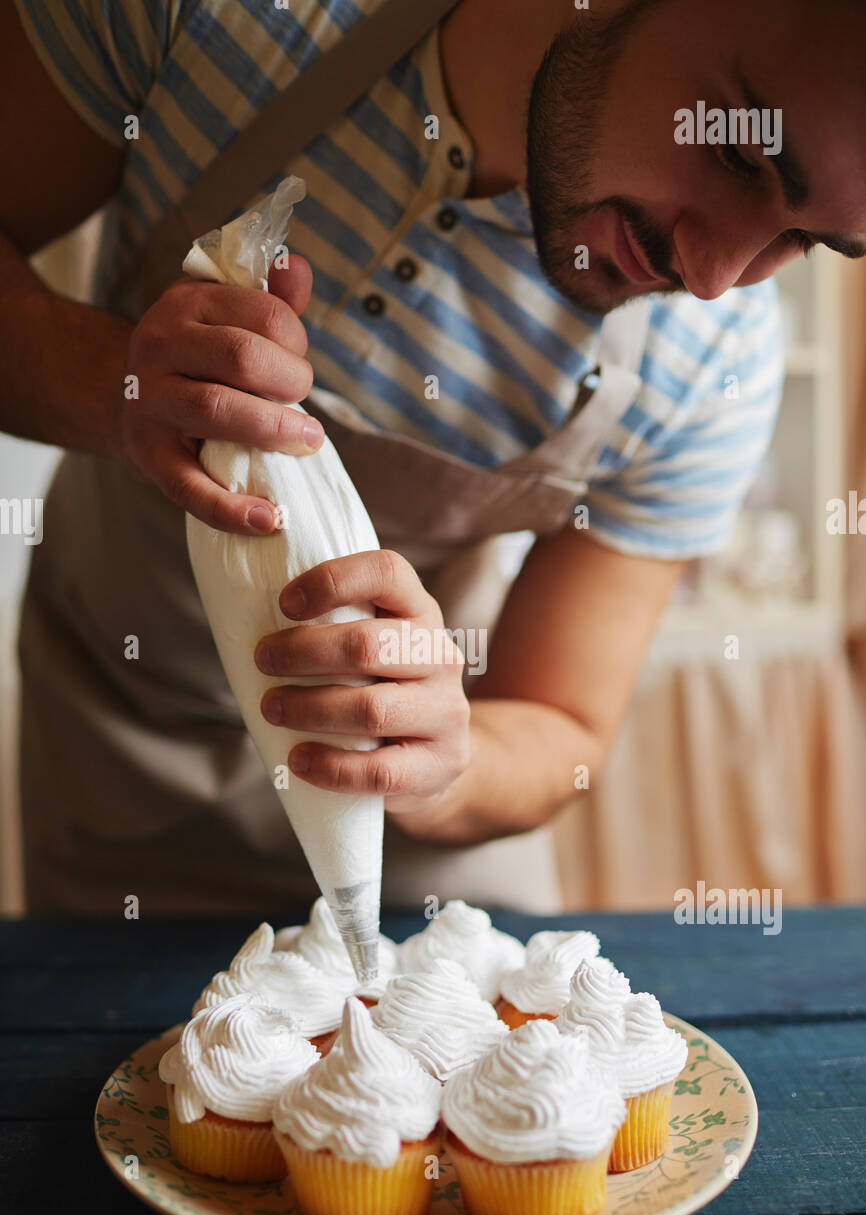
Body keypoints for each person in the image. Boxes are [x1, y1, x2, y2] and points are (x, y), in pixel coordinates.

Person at [4, 0, 864, 915]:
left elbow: (562, 723)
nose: (712, 275)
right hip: (123, 779)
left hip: (427, 863)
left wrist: (443, 765)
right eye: (740, 156)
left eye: (807, 239)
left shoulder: (715, 361)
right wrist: (119, 390)